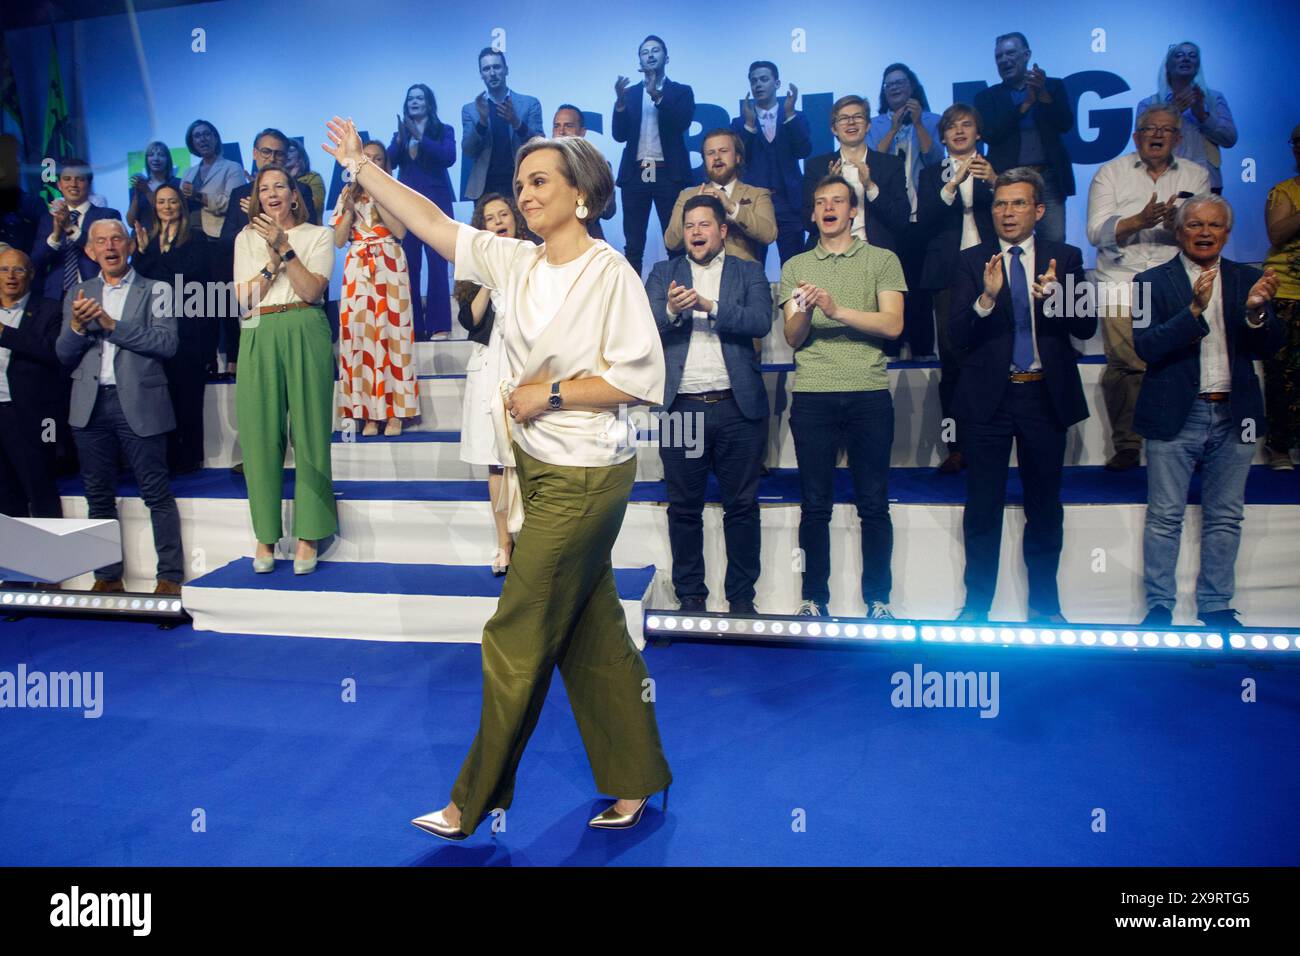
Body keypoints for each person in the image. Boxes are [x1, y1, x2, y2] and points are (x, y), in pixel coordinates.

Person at [325, 116, 672, 840]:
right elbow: (425, 219)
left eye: (540, 181)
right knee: (590, 632)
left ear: (582, 195)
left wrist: (549, 395)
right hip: (540, 471)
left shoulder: (611, 273)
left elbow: (641, 378)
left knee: (514, 632)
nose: (525, 193)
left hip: (586, 476)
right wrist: (361, 168)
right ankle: (637, 780)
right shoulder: (514, 260)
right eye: (520, 184)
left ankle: (472, 801)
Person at [949, 168, 1095, 624]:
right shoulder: (972, 261)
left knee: (1044, 508)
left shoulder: (1065, 258)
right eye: (999, 204)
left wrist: (1058, 298)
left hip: (1043, 398)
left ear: (1038, 210)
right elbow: (954, 337)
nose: (1007, 213)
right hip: (989, 401)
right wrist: (986, 300)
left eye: (1016, 204)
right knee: (983, 509)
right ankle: (975, 611)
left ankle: (1046, 611)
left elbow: (1086, 327)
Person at [1133, 194, 1281, 629]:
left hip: (1235, 414)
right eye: (1195, 225)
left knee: (1225, 516)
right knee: (1164, 516)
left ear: (1227, 233)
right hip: (1175, 413)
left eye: (1214, 226)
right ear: (1179, 232)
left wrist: (1256, 314)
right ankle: (1159, 606)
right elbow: (1146, 346)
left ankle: (1216, 606)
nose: (1204, 232)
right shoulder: (1148, 282)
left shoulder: (1248, 279)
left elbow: (1270, 346)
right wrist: (1194, 310)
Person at [780, 175, 905, 618]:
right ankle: (814, 600)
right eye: (820, 202)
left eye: (838, 201)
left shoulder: (882, 259)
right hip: (814, 394)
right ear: (812, 213)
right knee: (815, 505)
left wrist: (835, 310)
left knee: (873, 502)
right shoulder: (795, 266)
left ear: (854, 211)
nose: (828, 208)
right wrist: (808, 313)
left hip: (868, 393)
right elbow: (793, 337)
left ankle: (878, 601)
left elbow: (892, 326)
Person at [647, 194, 772, 613]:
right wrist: (670, 309)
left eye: (704, 225)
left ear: (723, 230)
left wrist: (710, 305)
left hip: (737, 407)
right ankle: (691, 597)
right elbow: (645, 329)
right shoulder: (663, 272)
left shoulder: (749, 271)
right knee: (684, 509)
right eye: (689, 226)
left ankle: (741, 599)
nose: (696, 232)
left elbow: (760, 321)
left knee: (741, 507)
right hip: (682, 408)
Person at [54, 219, 182, 594]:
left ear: (129, 246)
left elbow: (166, 343)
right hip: (90, 407)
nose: (109, 246)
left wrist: (112, 325)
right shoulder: (78, 291)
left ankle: (170, 577)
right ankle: (107, 577)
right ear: (90, 251)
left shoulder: (156, 289)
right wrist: (77, 328)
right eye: (100, 241)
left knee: (156, 493)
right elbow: (62, 354)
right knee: (98, 496)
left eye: (116, 239)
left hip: (140, 402)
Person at [1085, 105, 1209, 471]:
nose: (1157, 135)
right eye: (1149, 129)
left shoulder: (1196, 174)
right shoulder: (1111, 173)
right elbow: (1096, 232)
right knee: (1128, 365)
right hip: (1122, 281)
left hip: (1175, 279)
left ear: (1178, 138)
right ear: (1136, 136)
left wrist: (1178, 225)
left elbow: (1204, 231)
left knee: (1182, 360)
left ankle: (1185, 440)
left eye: (1166, 130)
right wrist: (1139, 220)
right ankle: (1128, 444)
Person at [232, 165, 336, 575]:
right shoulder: (244, 239)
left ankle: (310, 533)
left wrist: (286, 249)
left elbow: (312, 290)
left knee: (310, 432)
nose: (272, 194)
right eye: (264, 188)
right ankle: (266, 536)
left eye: (280, 187)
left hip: (305, 324)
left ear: (295, 195)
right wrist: (271, 262)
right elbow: (242, 301)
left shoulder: (319, 235)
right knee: (259, 437)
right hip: (258, 328)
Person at [453, 193, 533, 574]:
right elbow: (470, 320)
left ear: (516, 219)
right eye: (490, 217)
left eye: (504, 214)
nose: (499, 220)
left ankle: (533, 543)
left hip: (526, 370)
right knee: (496, 463)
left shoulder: (535, 257)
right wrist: (490, 273)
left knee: (529, 457)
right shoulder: (473, 270)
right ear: (482, 227)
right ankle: (504, 543)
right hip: (489, 370)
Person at [916, 104, 998, 475]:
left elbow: (1015, 215)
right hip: (948, 273)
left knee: (992, 356)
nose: (960, 132)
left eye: (967, 125)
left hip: (991, 269)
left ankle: (990, 440)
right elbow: (925, 221)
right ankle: (956, 445)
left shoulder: (995, 171)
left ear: (979, 133)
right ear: (943, 136)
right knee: (952, 362)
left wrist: (995, 182)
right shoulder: (932, 173)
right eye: (952, 127)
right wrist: (951, 184)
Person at [333, 141, 418, 438]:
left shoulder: (394, 190)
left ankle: (395, 413)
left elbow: (401, 231)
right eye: (365, 158)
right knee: (361, 339)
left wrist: (379, 193)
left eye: (376, 159)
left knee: (392, 337)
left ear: (386, 165)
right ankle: (369, 414)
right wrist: (347, 209)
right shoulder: (347, 192)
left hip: (389, 262)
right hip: (357, 264)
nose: (369, 162)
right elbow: (339, 239)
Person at [216, 129, 317, 376]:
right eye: (266, 151)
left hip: (295, 282)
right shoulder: (240, 193)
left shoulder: (300, 189)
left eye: (279, 153)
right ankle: (233, 354)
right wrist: (252, 221)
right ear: (254, 154)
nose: (272, 158)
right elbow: (226, 239)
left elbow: (310, 229)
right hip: (253, 279)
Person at [130, 183, 213, 474]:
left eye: (173, 201)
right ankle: (164, 457)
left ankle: (189, 458)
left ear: (182, 205)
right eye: (161, 202)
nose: (167, 206)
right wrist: (140, 253)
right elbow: (140, 279)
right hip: (156, 327)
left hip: (190, 328)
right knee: (160, 396)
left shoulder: (197, 239)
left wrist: (150, 256)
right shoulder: (146, 242)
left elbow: (181, 274)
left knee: (188, 396)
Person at [869, 63, 945, 359]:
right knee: (889, 285)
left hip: (921, 214)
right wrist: (893, 128)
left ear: (912, 87)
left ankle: (923, 348)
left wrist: (919, 125)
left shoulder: (933, 120)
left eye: (901, 82)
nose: (895, 88)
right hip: (888, 216)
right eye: (889, 84)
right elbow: (875, 160)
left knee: (919, 285)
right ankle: (891, 347)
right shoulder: (875, 125)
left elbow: (937, 158)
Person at [974, 33, 1075, 243]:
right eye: (999, 56)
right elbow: (991, 134)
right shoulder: (987, 97)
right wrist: (1025, 105)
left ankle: (1051, 278)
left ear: (1027, 55)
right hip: (1008, 179)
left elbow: (1065, 124)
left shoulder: (1053, 87)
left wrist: (1043, 95)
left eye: (1010, 53)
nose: (1004, 60)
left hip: (1047, 179)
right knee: (1011, 243)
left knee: (1054, 240)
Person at [612, 35, 696, 277]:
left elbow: (681, 122)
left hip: (668, 175)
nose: (649, 55)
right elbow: (619, 135)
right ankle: (630, 301)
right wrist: (619, 103)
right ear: (639, 59)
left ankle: (680, 304)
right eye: (644, 52)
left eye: (655, 50)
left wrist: (657, 96)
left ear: (666, 57)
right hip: (636, 174)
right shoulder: (628, 94)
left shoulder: (680, 92)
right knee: (634, 245)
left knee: (676, 243)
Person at [0, 248, 64, 518]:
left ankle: (52, 557)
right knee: (4, 494)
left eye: (19, 270)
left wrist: (5, 333)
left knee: (39, 489)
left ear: (32, 274)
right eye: (4, 270)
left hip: (28, 414)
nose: (11, 276)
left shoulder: (49, 309)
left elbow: (53, 351)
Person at [390, 83, 458, 340]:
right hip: (406, 208)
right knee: (409, 265)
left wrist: (419, 137)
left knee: (438, 264)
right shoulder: (401, 132)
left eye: (419, 98)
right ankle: (414, 326)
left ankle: (439, 324)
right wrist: (399, 139)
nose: (414, 102)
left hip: (436, 207)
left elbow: (448, 157)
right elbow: (389, 162)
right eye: (410, 99)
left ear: (429, 103)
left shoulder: (443, 130)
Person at [802, 96, 909, 256]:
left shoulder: (890, 165)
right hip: (829, 253)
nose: (851, 122)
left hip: (875, 253)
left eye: (858, 117)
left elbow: (900, 219)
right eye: (844, 118)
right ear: (834, 129)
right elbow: (808, 222)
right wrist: (828, 189)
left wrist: (870, 187)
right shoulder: (817, 167)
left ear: (868, 125)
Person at [733, 60, 811, 265]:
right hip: (754, 204)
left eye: (764, 79)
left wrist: (790, 114)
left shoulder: (795, 116)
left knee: (794, 265)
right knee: (752, 266)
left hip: (789, 202)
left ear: (777, 83)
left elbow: (804, 150)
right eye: (753, 81)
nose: (758, 85)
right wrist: (749, 126)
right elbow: (738, 160)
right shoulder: (739, 122)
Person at [663, 128, 777, 263]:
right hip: (699, 277)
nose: (716, 157)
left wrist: (732, 208)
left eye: (723, 151)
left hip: (743, 278)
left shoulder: (758, 194)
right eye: (710, 153)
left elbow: (769, 234)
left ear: (738, 157)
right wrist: (693, 209)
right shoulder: (687, 195)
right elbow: (671, 242)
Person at [1136, 42, 1237, 193]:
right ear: (1168, 66)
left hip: (1209, 182)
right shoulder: (1148, 104)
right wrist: (1172, 112)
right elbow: (1143, 144)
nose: (1186, 59)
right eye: (1179, 55)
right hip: (1165, 182)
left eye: (1192, 55)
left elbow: (1230, 139)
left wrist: (1203, 116)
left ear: (1198, 65)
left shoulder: (1214, 99)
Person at [31, 158, 122, 302]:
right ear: (59, 185)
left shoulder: (107, 215)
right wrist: (55, 236)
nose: (73, 184)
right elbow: (35, 261)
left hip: (97, 294)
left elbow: (105, 250)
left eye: (80, 179)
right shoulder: (47, 219)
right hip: (54, 297)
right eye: (67, 179)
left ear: (89, 183)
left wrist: (69, 227)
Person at [1263, 125, 1300, 471]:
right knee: (1281, 374)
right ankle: (1279, 446)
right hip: (1287, 293)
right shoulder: (1284, 192)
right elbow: (1277, 232)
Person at [461, 50, 543, 203]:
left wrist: (516, 122)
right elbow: (469, 150)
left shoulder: (529, 104)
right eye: (486, 69)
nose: (492, 73)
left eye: (496, 67)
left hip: (522, 185)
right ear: (481, 74)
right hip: (484, 189)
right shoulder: (471, 110)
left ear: (506, 70)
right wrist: (482, 122)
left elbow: (540, 145)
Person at [552, 105, 617, 239]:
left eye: (568, 126)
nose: (561, 131)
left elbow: (608, 212)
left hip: (589, 240)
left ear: (582, 132)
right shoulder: (541, 165)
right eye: (556, 126)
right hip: (550, 242)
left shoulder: (599, 166)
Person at [179, 120, 246, 241]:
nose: (203, 139)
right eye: (197, 136)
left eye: (207, 134)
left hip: (218, 236)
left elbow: (232, 204)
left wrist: (199, 196)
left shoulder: (232, 168)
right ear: (192, 143)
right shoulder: (188, 173)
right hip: (188, 235)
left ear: (215, 138)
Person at [125, 141, 181, 234]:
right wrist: (136, 195)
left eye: (161, 155)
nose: (155, 159)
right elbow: (131, 223)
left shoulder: (177, 184)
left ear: (168, 160)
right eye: (151, 155)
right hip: (142, 239)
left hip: (168, 236)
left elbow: (169, 213)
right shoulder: (139, 185)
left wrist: (147, 191)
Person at [284, 140, 325, 226]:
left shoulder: (313, 178)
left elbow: (315, 206)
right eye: (284, 151)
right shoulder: (278, 179)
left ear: (300, 155)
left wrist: (293, 181)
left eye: (291, 151)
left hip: (310, 230)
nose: (287, 154)